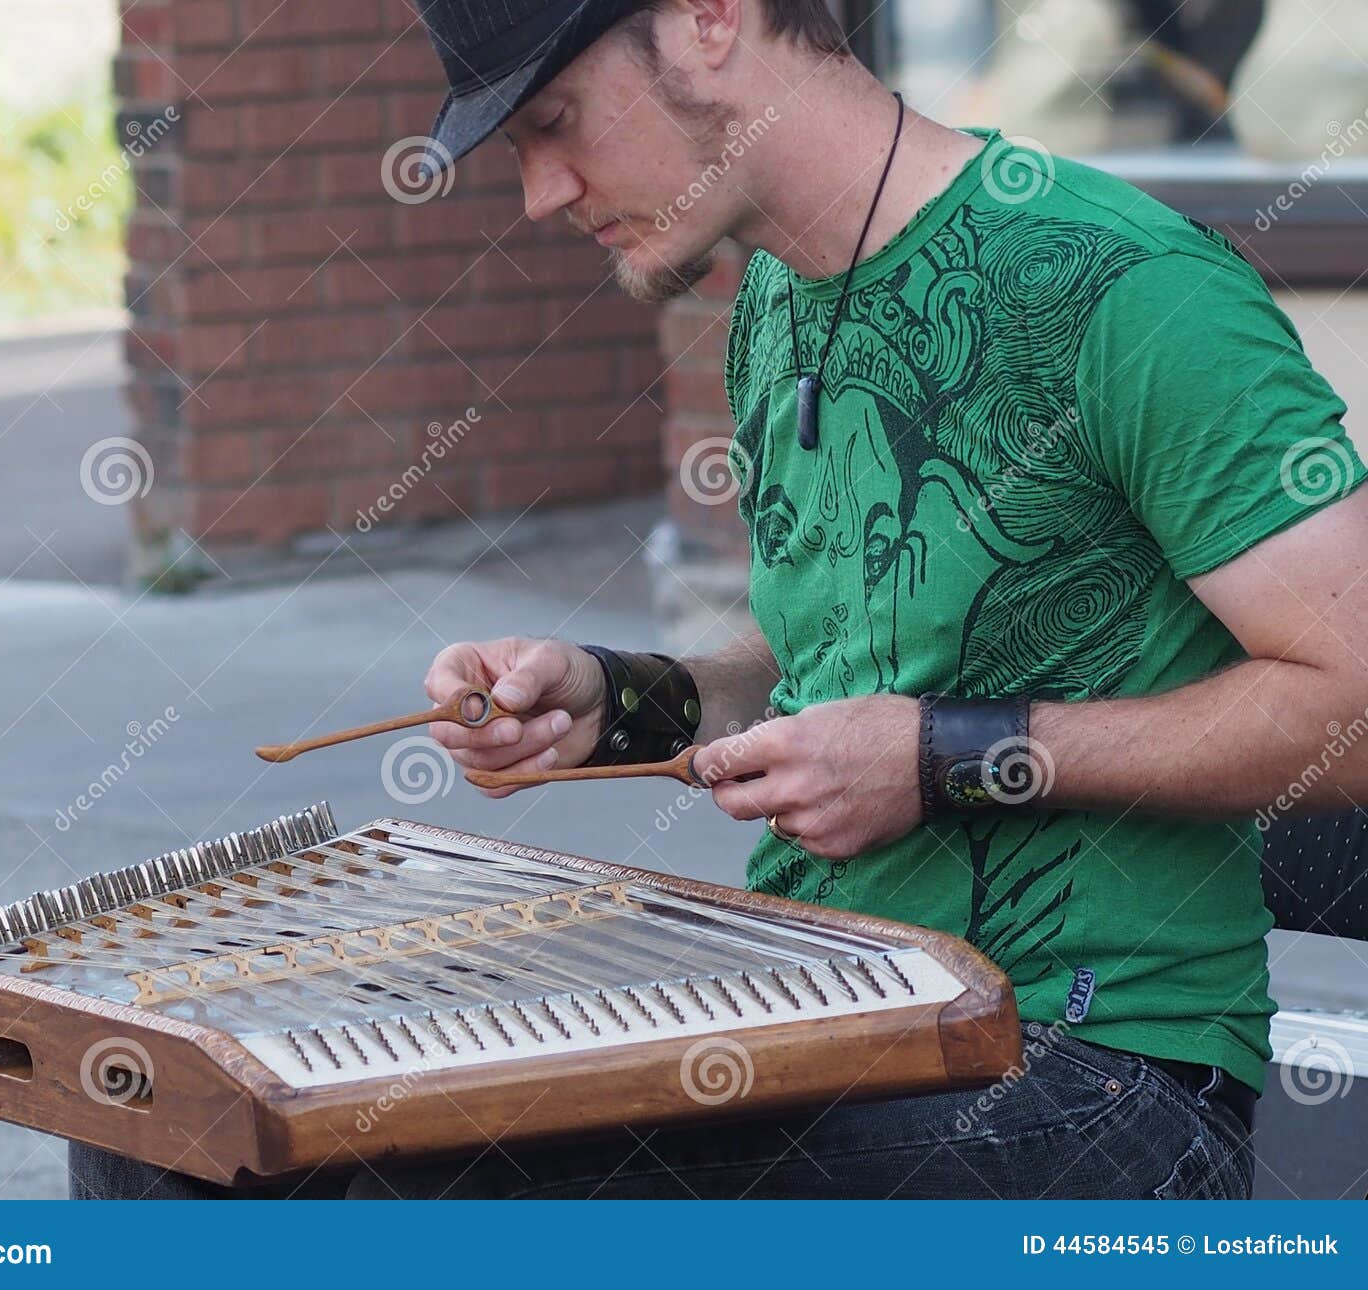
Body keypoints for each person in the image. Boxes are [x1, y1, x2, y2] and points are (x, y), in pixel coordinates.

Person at [71, 0, 1368, 1199]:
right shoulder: (775, 307)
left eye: (555, 125)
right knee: (169, 1126)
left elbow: (1351, 700)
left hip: (1096, 1084)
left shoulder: (1124, 286)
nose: (538, 194)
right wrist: (616, 700)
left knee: (397, 1188)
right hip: (820, 1016)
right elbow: (833, 658)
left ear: (707, 19)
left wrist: (945, 758)